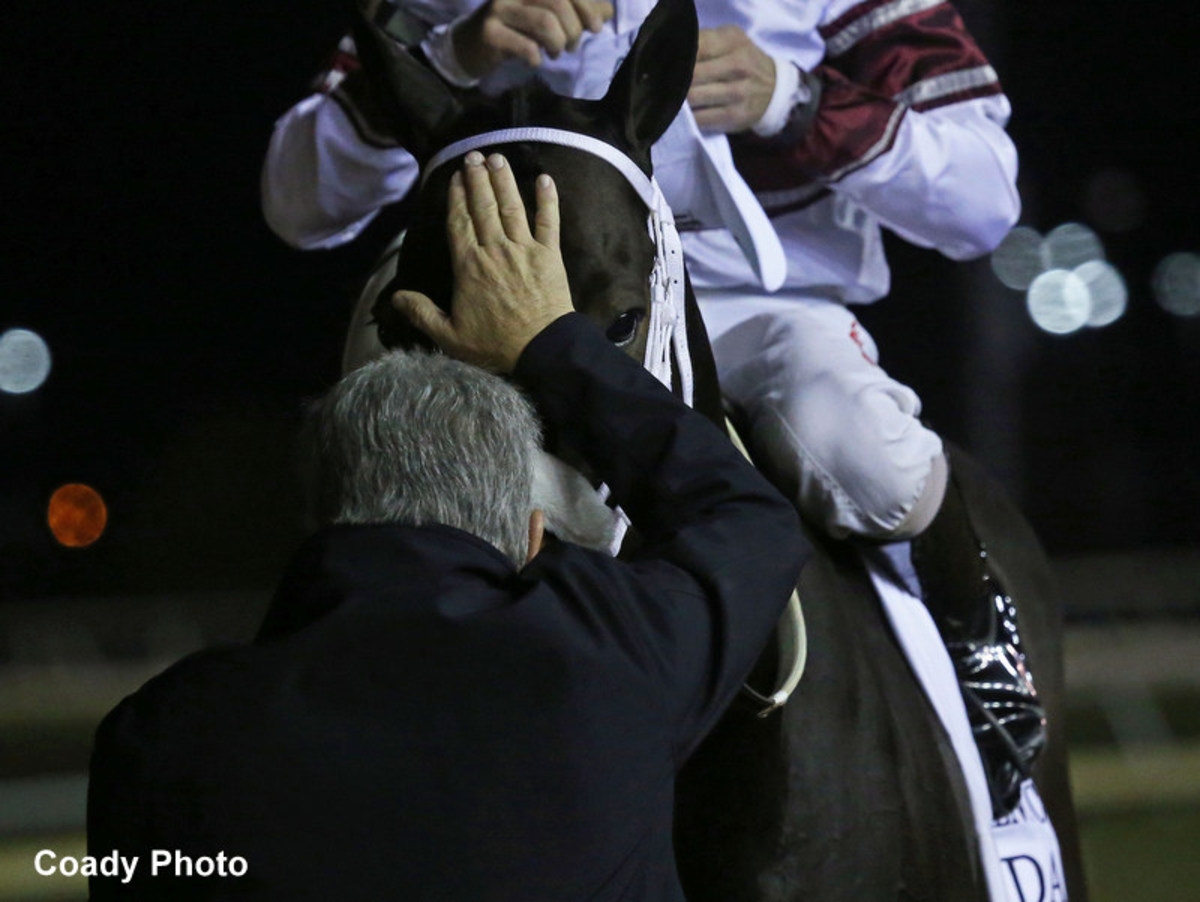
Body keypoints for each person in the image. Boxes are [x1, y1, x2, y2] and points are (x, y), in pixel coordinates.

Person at [261, 0, 1042, 816]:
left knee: (868, 455)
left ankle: (987, 670)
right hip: (508, 299)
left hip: (754, 300)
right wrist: (455, 52)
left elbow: (984, 198)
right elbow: (296, 201)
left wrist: (795, 101)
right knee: (371, 425)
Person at [87, 153, 806, 900]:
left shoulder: (156, 735)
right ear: (533, 538)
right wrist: (551, 342)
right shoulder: (610, 658)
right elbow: (746, 516)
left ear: (321, 519)